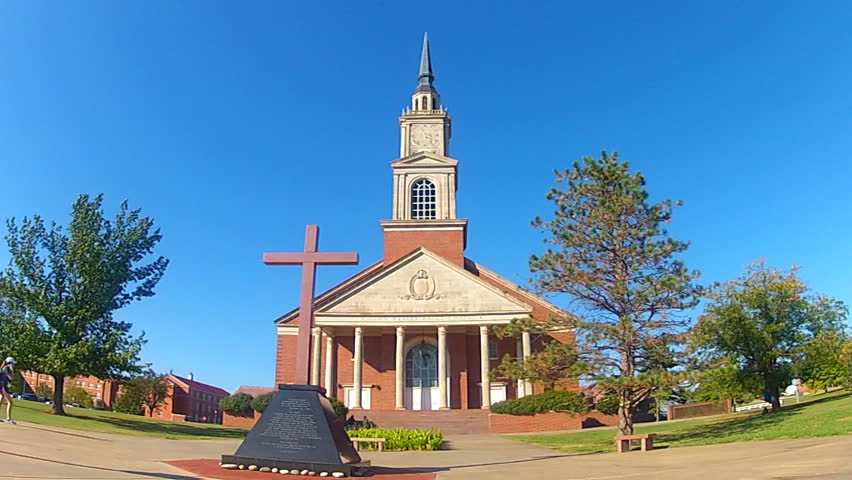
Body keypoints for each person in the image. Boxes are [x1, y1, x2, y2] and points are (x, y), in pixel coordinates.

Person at [0, 357, 16, 424]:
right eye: (12, 364)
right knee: (10, 402)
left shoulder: (4, 368)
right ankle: (8, 418)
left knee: (1, 400)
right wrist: (12, 370)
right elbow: (11, 378)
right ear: (10, 363)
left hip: (2, 386)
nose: (13, 365)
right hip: (3, 386)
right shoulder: (6, 368)